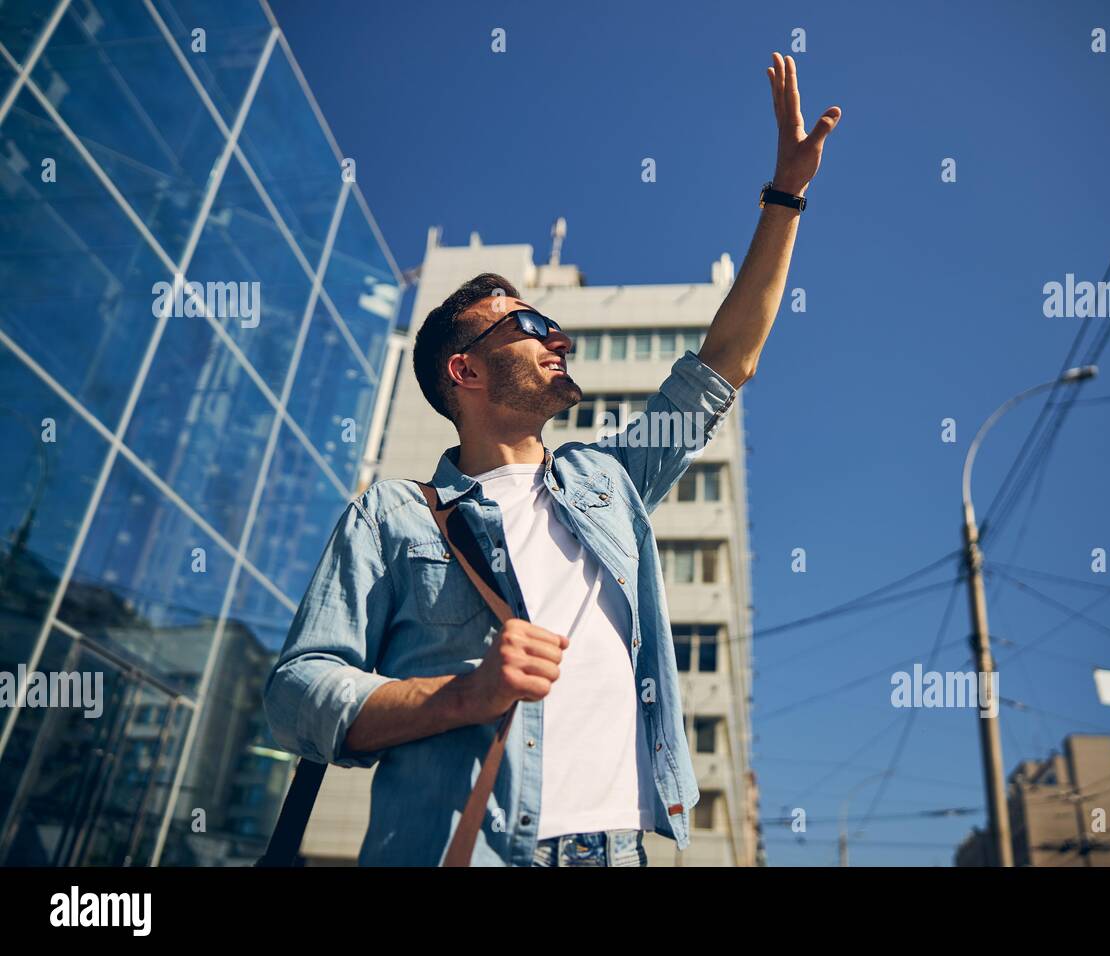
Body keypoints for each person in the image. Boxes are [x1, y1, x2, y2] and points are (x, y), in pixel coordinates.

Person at [264, 53, 840, 866]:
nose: (556, 338)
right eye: (528, 329)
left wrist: (785, 196)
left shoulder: (606, 481)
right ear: (463, 371)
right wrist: (467, 694)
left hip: (622, 852)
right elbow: (295, 695)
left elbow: (725, 364)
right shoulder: (391, 514)